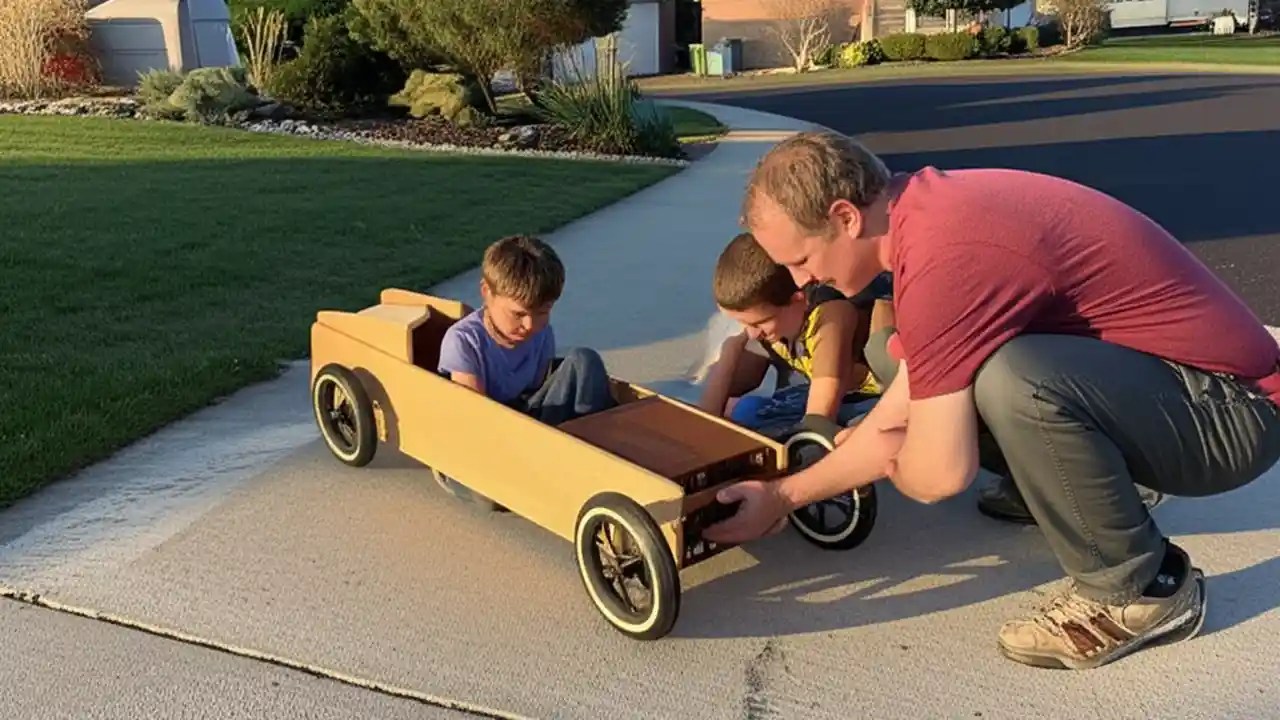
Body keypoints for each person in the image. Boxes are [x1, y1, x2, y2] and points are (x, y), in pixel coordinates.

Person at [703, 130, 1280, 670]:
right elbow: (906, 397)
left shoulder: (947, 257)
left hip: (1232, 413)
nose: (799, 282)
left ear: (845, 218)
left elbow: (939, 474)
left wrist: (891, 456)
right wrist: (789, 492)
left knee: (1014, 378)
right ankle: (1062, 490)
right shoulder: (927, 215)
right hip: (1177, 394)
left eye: (800, 261)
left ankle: (1137, 591)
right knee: (906, 359)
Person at [696, 232, 894, 438]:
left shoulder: (830, 318)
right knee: (745, 409)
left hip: (878, 399)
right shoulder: (770, 325)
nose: (752, 334)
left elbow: (818, 420)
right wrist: (731, 349)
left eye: (758, 323)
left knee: (852, 434)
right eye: (743, 323)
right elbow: (709, 413)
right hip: (833, 399)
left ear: (798, 300)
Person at [437, 234, 616, 426]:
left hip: (528, 413)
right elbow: (475, 415)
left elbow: (536, 389)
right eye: (518, 314)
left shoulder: (542, 332)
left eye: (542, 312)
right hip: (493, 425)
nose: (530, 325)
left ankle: (597, 430)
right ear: (487, 292)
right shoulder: (464, 341)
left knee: (584, 360)